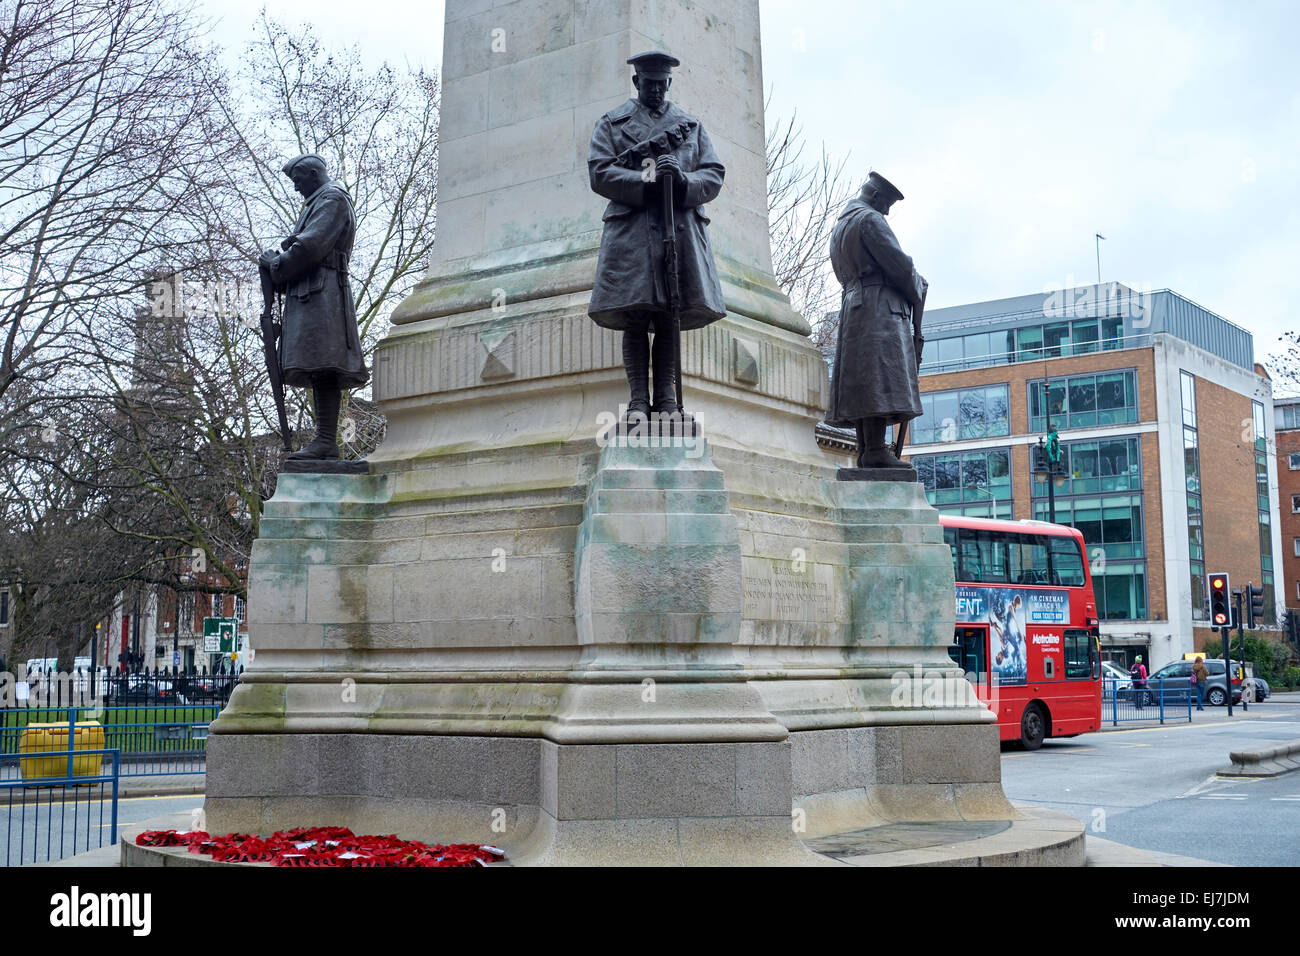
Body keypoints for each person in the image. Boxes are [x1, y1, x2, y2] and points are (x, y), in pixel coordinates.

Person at [587, 51, 726, 422]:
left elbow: (712, 173)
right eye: (649, 84)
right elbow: (599, 172)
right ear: (637, 83)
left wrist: (683, 181)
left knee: (669, 316)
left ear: (669, 84)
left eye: (662, 84)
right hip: (632, 232)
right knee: (636, 316)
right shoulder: (613, 124)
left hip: (676, 228)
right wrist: (647, 181)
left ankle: (666, 399)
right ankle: (637, 401)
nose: (656, 90)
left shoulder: (690, 126)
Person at [258, 153, 369, 460]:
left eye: (298, 181)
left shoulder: (331, 198)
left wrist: (277, 264)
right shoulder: (320, 200)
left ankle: (325, 440)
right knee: (320, 367)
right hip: (313, 292)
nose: (296, 189)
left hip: (323, 293)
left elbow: (310, 247)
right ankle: (324, 441)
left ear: (313, 174)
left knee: (325, 365)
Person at [825, 172, 928, 469]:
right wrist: (917, 285)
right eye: (885, 204)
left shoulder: (841, 226)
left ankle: (868, 449)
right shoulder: (869, 220)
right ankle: (874, 450)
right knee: (879, 378)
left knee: (865, 379)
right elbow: (899, 264)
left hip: (855, 305)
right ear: (874, 197)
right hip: (878, 308)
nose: (886, 212)